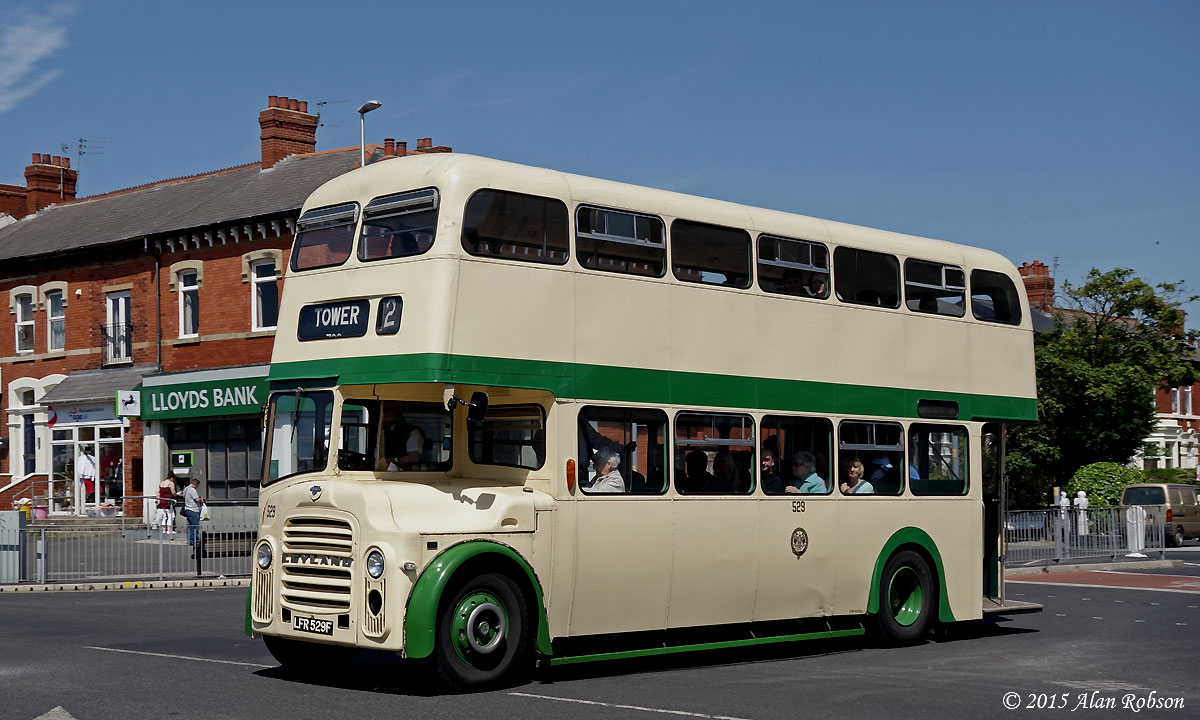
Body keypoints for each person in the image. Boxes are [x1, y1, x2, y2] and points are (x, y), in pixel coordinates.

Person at [378, 404, 425, 471]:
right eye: (381, 412)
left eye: (386, 411)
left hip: (405, 473)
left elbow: (414, 457)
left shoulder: (412, 432)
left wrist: (393, 460)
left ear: (396, 412)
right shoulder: (382, 432)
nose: (383, 415)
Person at [182, 477, 203, 554]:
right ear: (196, 484)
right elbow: (196, 499)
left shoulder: (186, 489)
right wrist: (201, 499)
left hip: (187, 509)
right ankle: (197, 540)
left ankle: (190, 540)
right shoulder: (192, 490)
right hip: (193, 509)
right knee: (195, 526)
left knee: (190, 526)